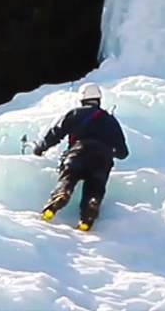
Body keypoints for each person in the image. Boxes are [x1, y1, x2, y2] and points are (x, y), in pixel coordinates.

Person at [33, 82, 129, 231]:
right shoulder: (110, 120)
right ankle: (89, 211)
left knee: (68, 178)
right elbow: (123, 152)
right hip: (102, 158)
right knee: (95, 187)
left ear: (82, 99)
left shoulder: (75, 113)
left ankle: (62, 194)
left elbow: (56, 133)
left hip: (78, 152)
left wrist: (40, 148)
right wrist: (111, 152)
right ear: (99, 99)